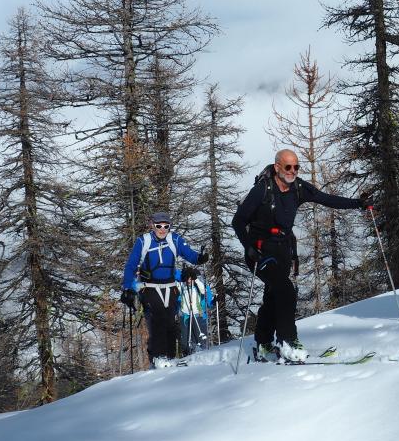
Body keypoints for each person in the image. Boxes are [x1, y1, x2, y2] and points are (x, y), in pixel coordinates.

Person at [232, 149, 369, 362]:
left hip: (283, 249)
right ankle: (287, 342)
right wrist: (248, 246)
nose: (293, 171)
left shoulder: (298, 188)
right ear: (277, 167)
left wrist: (357, 204)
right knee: (285, 290)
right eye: (288, 167)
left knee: (274, 294)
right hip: (259, 251)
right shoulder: (262, 190)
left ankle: (263, 343)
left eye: (296, 166)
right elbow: (238, 221)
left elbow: (325, 199)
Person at [120, 211, 208, 367]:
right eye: (158, 226)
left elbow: (189, 254)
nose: (162, 229)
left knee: (169, 323)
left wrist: (199, 258)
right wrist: (128, 288)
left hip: (171, 287)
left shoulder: (174, 239)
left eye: (166, 226)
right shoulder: (143, 241)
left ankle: (170, 357)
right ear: (152, 225)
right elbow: (131, 265)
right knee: (157, 320)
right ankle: (158, 357)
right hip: (150, 287)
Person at [177, 266, 213, 355]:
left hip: (197, 314)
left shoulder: (197, 286)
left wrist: (196, 279)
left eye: (190, 279)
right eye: (187, 279)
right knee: (185, 338)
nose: (189, 281)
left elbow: (204, 291)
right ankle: (188, 352)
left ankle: (201, 350)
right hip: (185, 314)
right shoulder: (182, 286)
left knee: (199, 336)